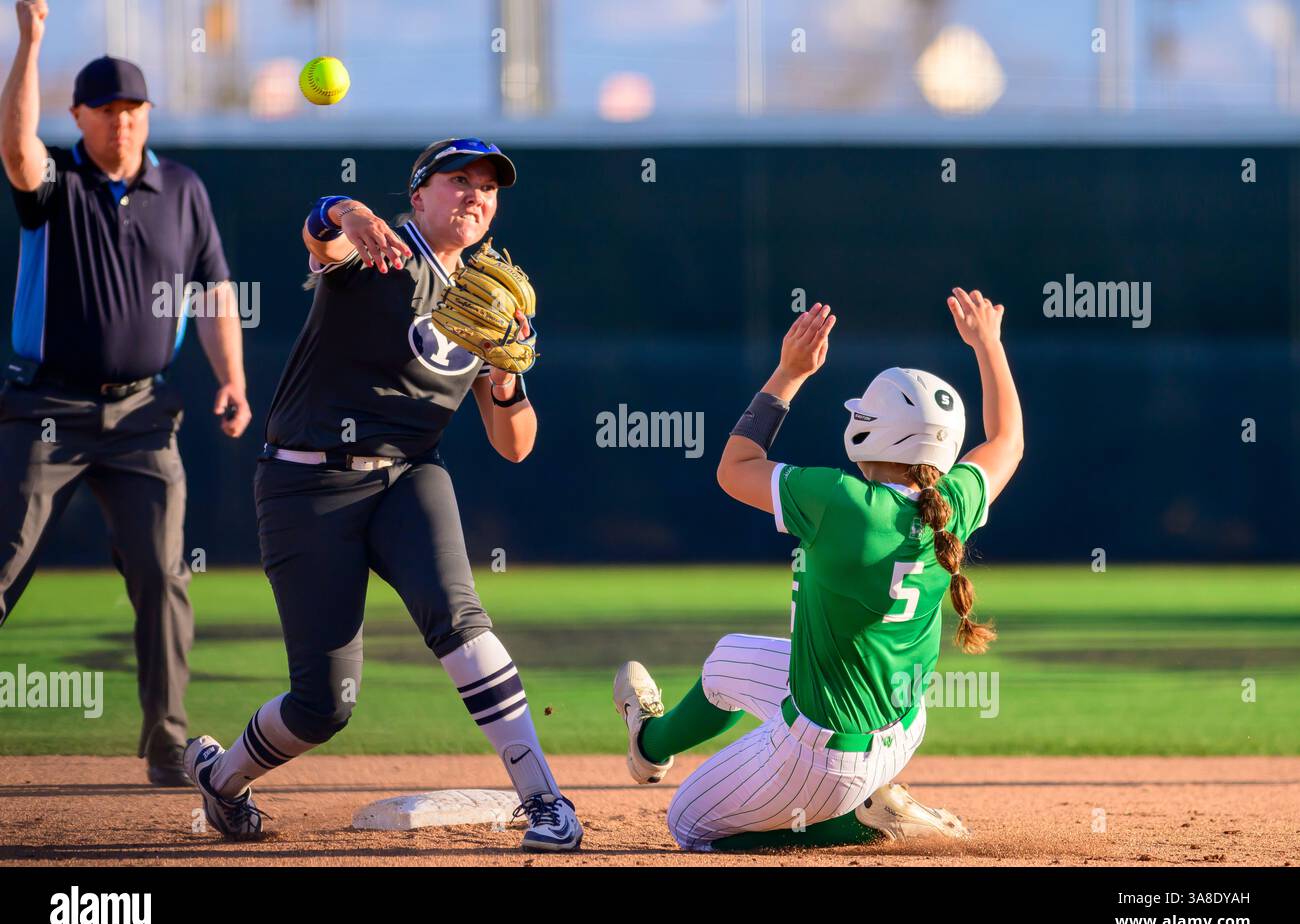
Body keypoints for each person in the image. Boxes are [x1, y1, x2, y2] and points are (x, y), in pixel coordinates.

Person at [184, 137, 583, 852]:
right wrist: (348, 210)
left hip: (407, 474)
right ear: (419, 194)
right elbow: (319, 233)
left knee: (461, 622)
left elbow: (516, 443)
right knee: (323, 706)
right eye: (458, 180)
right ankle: (222, 779)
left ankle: (545, 800)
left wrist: (502, 377)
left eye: (488, 187)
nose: (475, 195)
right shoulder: (376, 249)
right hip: (306, 483)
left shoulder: (488, 295)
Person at [614, 289, 1024, 851]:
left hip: (824, 758)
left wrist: (788, 373)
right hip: (901, 728)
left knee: (687, 826)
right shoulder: (954, 502)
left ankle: (858, 823)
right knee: (729, 658)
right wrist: (989, 345)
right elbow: (1007, 440)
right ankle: (649, 746)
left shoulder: (842, 500)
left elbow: (734, 469)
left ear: (871, 431)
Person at [0, 1, 251, 786]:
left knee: (163, 574)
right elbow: (15, 151)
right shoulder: (56, 182)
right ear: (77, 115)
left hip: (144, 414)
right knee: (4, 564)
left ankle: (168, 742)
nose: (123, 123)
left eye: (134, 109)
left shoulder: (180, 189)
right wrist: (30, 42)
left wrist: (233, 380)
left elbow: (213, 294)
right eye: (108, 110)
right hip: (50, 409)